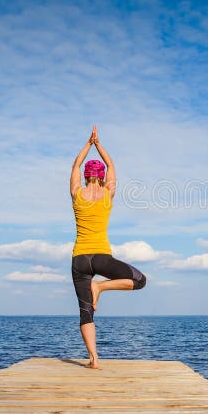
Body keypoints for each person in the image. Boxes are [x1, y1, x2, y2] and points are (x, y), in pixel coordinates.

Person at [70, 125, 146, 369]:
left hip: (79, 259)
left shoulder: (76, 193)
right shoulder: (107, 193)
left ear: (85, 176)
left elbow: (75, 166)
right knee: (140, 280)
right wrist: (98, 144)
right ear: (102, 176)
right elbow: (111, 164)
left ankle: (93, 359)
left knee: (85, 312)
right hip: (101, 257)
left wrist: (87, 144)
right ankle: (101, 286)